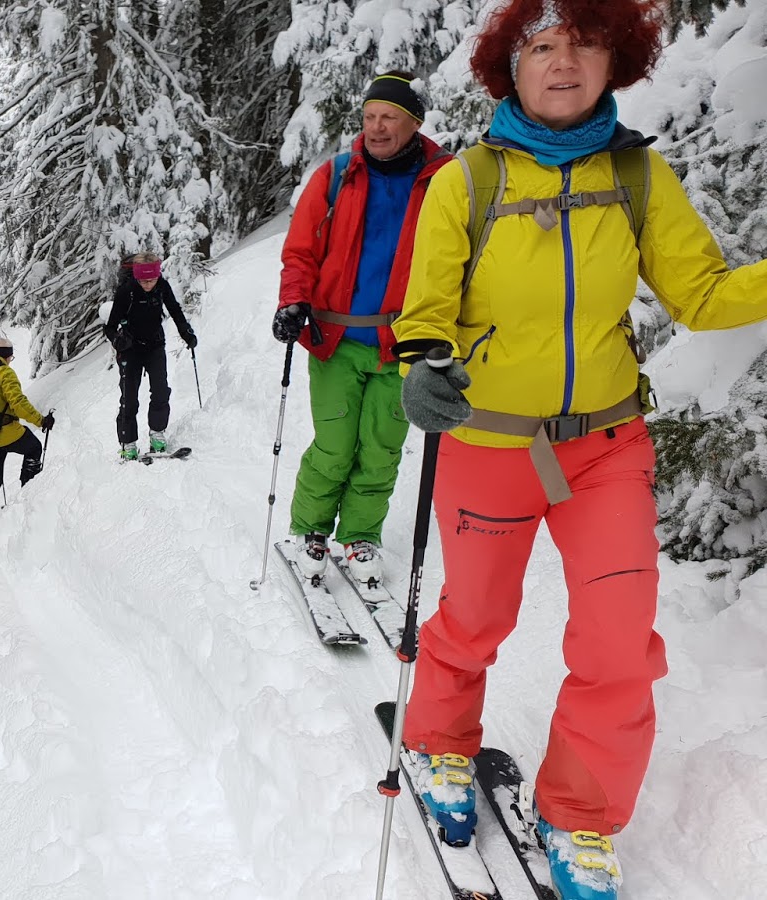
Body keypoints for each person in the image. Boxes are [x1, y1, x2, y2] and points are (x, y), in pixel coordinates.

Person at [391, 1, 767, 896]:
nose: (565, 62)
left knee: (618, 641)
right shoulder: (467, 181)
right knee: (476, 617)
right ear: (511, 66)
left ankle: (579, 814)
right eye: (544, 46)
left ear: (615, 62)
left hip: (605, 446)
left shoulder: (638, 175)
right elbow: (425, 311)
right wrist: (421, 366)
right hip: (489, 440)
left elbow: (703, 295)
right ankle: (439, 741)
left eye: (586, 44)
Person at [272, 72, 453, 584]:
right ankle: (310, 528)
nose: (376, 127)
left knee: (380, 451)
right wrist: (293, 301)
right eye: (370, 116)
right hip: (336, 341)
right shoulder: (335, 176)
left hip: (405, 347)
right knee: (334, 446)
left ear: (414, 123)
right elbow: (301, 250)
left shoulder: (445, 180)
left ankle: (360, 535)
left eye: (389, 117)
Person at [103, 253, 197, 459]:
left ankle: (157, 434)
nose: (148, 284)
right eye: (144, 281)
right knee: (129, 398)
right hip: (130, 349)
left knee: (161, 391)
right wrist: (117, 340)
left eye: (152, 279)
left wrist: (187, 333)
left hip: (155, 345)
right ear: (136, 277)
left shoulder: (162, 286)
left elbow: (175, 310)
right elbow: (109, 327)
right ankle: (128, 444)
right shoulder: (126, 291)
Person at [0, 337, 52, 539]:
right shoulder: (4, 372)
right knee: (34, 447)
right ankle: (29, 493)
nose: (10, 361)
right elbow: (18, 403)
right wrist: (41, 421)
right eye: (11, 357)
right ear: (7, 356)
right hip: (6, 432)